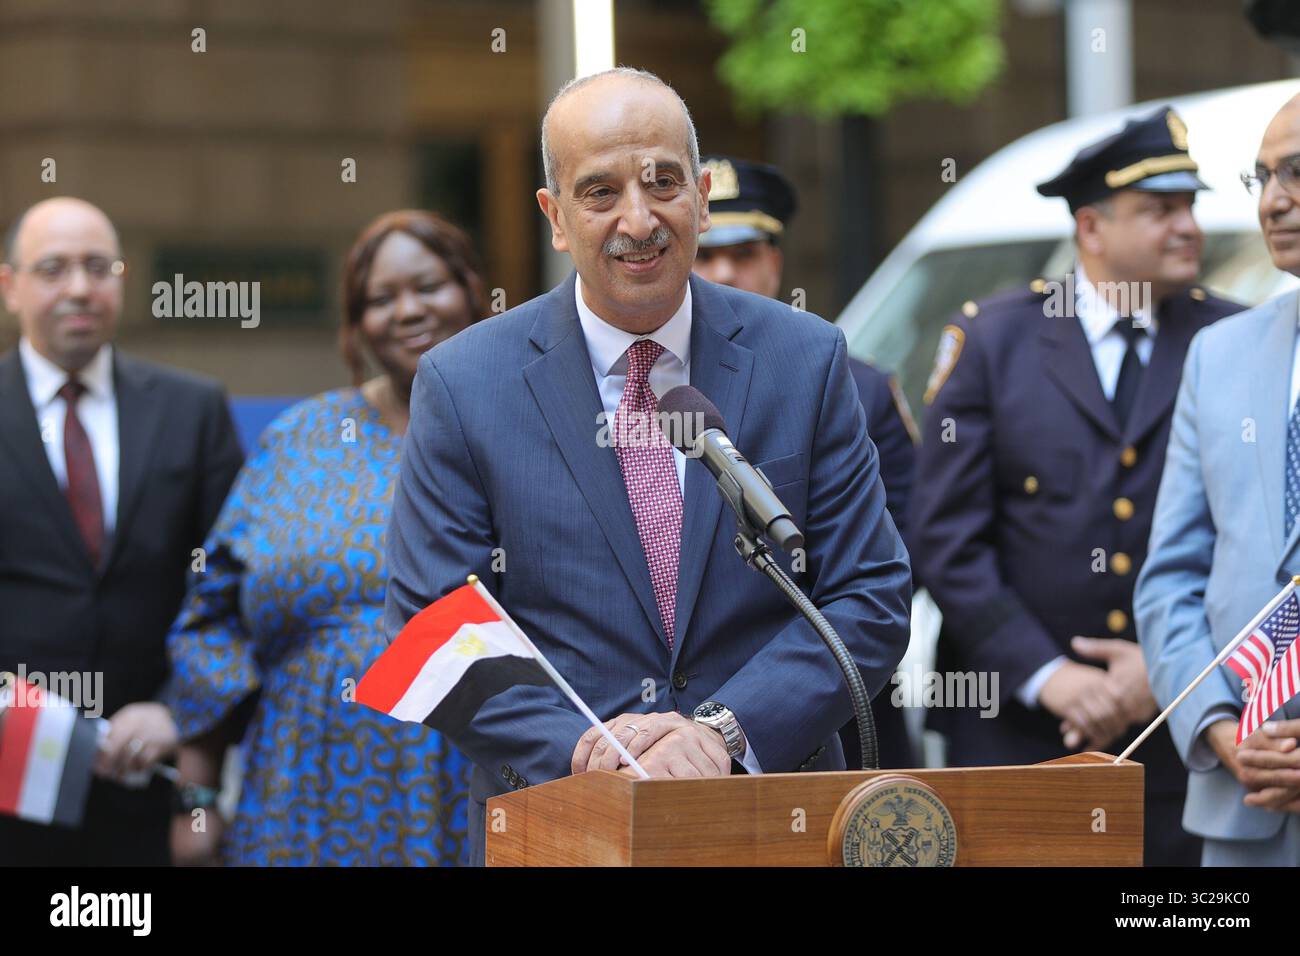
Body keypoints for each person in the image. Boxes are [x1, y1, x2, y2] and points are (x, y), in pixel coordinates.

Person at [385, 67, 912, 866]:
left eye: (663, 182)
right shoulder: (466, 384)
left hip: (775, 819)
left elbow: (869, 594)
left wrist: (723, 732)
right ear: (555, 218)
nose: (639, 219)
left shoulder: (805, 359)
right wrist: (588, 750)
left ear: (701, 197)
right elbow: (435, 625)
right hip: (561, 824)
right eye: (600, 192)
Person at [909, 107, 1240, 866]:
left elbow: (1255, 541)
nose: (1187, 227)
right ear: (1091, 227)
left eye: (1189, 206)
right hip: (1020, 734)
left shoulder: (1230, 338)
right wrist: (1049, 674)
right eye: (1159, 210)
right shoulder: (995, 338)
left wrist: (1169, 670)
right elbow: (944, 537)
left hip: (1186, 727)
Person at [166, 210, 484, 866]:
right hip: (298, 791)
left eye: (429, 286)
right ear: (357, 324)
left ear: (471, 292)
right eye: (381, 299)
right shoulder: (299, 438)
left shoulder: (520, 432)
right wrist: (196, 799)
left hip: (464, 793)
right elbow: (213, 624)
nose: (408, 311)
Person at [0, 197, 243, 865]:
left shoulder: (192, 410)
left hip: (149, 788)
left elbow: (229, 591)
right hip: (9, 787)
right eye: (53, 268)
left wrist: (180, 715)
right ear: (10, 286)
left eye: (98, 266)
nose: (80, 287)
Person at [692, 154, 918, 769]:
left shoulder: (849, 381)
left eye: (744, 254)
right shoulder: (654, 386)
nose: (725, 271)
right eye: (707, 255)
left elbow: (896, 553)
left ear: (775, 262)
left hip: (830, 710)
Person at [1135, 92, 1300, 866]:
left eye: (1296, 172)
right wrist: (1221, 728)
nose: (1273, 201)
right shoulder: (1220, 354)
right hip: (1244, 810)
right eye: (1262, 177)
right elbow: (1170, 580)